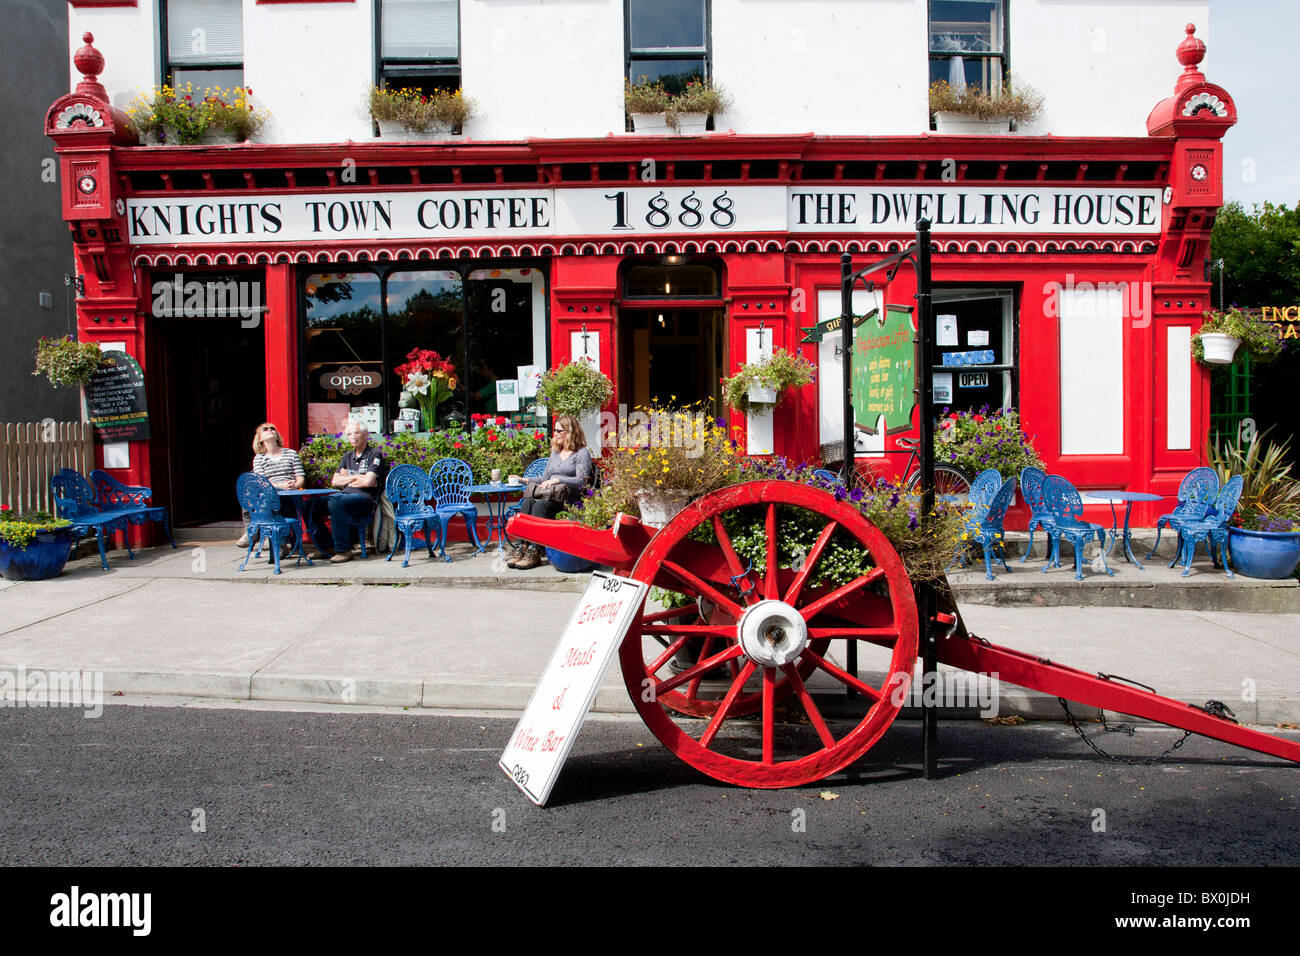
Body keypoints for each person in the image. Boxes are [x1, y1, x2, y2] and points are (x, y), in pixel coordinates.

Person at [506, 414, 592, 570]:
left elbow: (582, 480)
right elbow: (544, 478)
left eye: (559, 430)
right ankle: (523, 546)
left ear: (570, 432)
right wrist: (523, 479)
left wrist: (558, 480)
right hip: (550, 495)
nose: (555, 434)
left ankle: (536, 550)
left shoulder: (582, 453)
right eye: (555, 430)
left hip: (568, 500)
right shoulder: (555, 452)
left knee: (541, 506)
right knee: (528, 503)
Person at [308, 418, 389, 564]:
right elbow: (335, 481)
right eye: (350, 434)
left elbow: (369, 482)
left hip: (365, 500)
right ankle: (327, 546)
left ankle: (343, 549)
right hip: (345, 496)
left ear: (365, 435)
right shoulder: (348, 456)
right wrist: (357, 478)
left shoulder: (374, 455)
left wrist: (349, 479)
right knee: (308, 505)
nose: (353, 437)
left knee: (335, 501)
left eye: (356, 433)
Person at [238, 422, 305, 549]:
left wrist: (296, 484)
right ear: (260, 438)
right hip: (270, 494)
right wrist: (281, 485)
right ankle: (258, 534)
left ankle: (254, 532)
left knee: (262, 501)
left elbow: (300, 477)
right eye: (265, 429)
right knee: (250, 496)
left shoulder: (291, 453)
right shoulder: (259, 458)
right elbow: (261, 482)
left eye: (272, 428)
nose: (270, 430)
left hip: (290, 494)